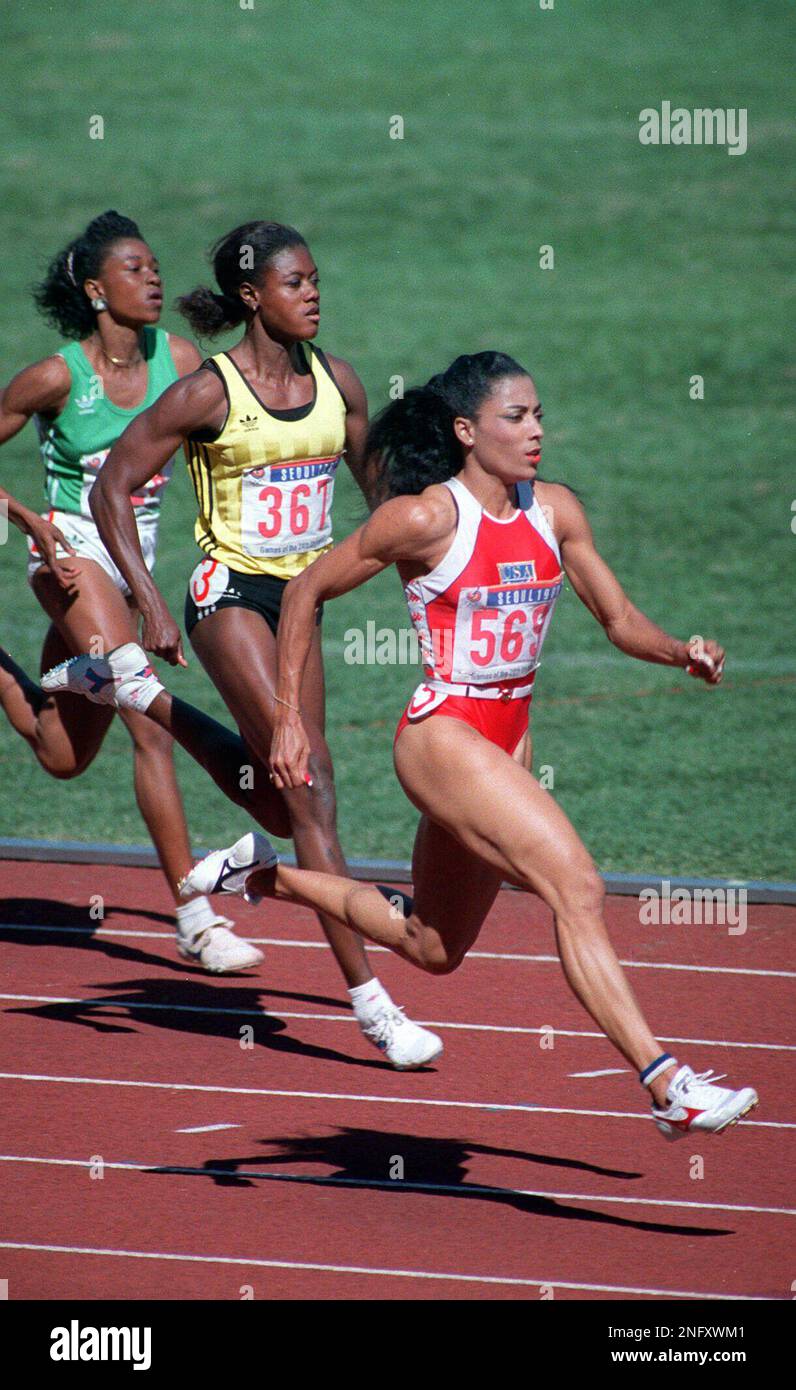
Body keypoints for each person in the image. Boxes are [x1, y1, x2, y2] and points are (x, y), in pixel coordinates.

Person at [93, 349, 756, 1140]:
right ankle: (666, 1084)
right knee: (575, 886)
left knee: (432, 945)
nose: (537, 430)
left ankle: (262, 876)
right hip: (444, 737)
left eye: (539, 413)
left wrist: (680, 650)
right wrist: (289, 717)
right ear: (468, 430)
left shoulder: (556, 511)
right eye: (517, 417)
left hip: (507, 742)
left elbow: (618, 621)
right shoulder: (424, 517)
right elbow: (306, 588)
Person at [45, 221, 441, 1069]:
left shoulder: (341, 385)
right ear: (253, 297)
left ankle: (138, 698)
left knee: (282, 802)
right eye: (296, 283)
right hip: (227, 594)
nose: (314, 295)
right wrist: (147, 603)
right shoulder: (209, 394)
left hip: (300, 603)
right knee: (316, 786)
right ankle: (375, 1010)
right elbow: (114, 484)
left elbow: (383, 503)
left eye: (318, 280)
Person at [0, 210, 259, 973]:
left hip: (131, 563)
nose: (154, 279)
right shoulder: (55, 378)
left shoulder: (179, 360)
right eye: (136, 270)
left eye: (155, 267)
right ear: (94, 290)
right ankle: (196, 916)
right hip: (71, 557)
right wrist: (20, 516)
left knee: (61, 753)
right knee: (147, 715)